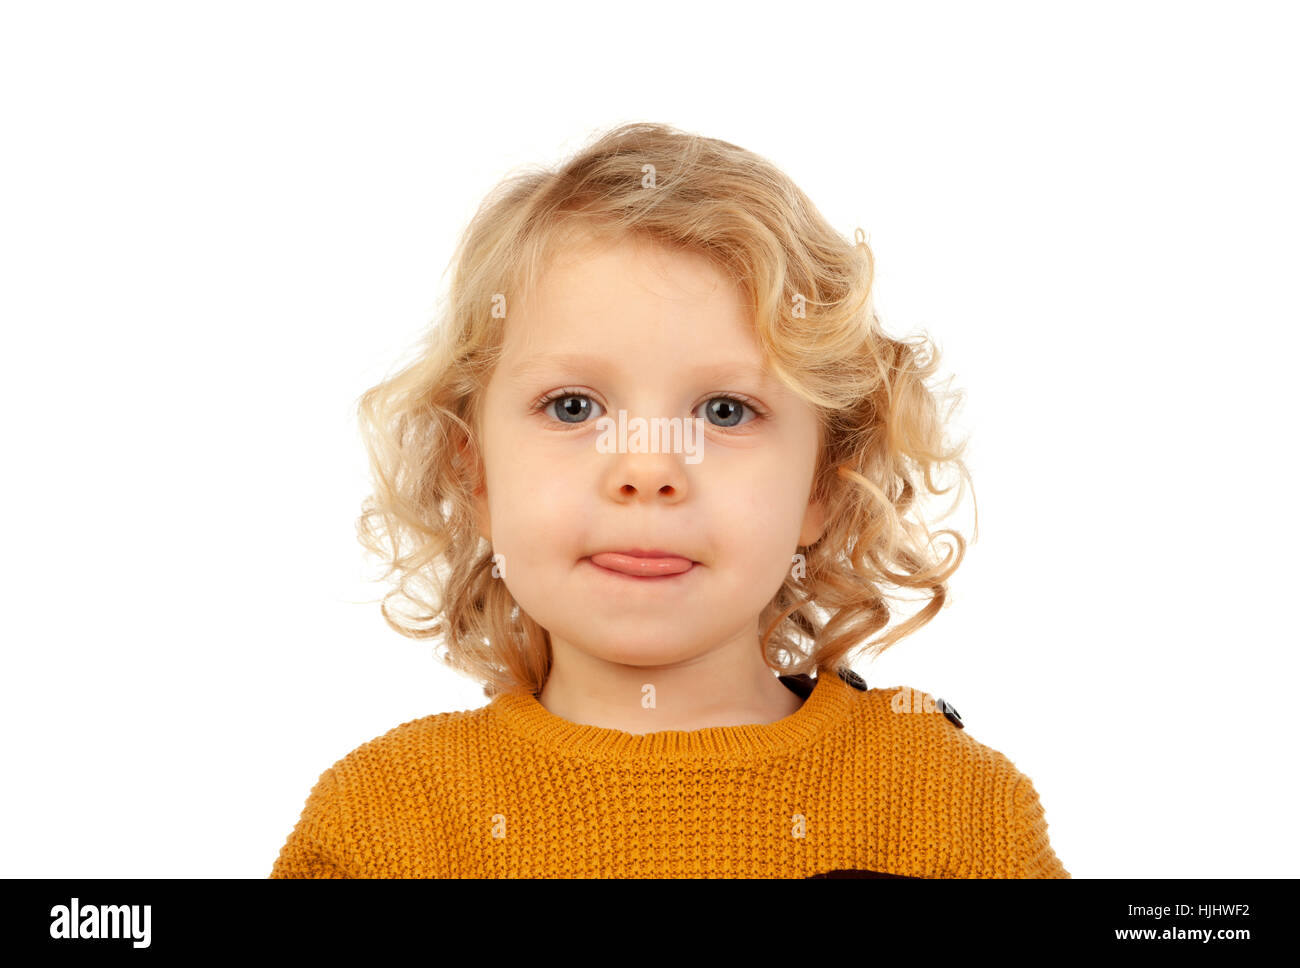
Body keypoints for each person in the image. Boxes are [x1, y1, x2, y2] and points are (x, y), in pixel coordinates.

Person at [269, 122, 1068, 878]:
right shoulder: (386, 827)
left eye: (725, 412)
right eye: (574, 407)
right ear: (475, 474)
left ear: (823, 484)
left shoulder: (956, 818)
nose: (648, 470)